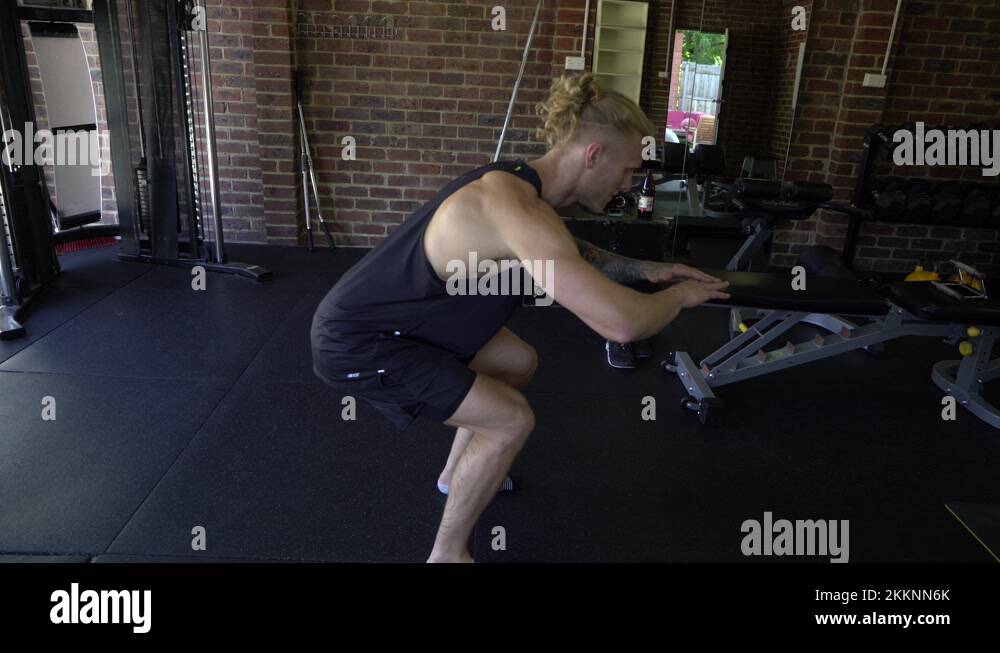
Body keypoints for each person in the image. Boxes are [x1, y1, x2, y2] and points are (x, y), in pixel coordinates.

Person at [311, 73, 730, 563]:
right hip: (361, 340)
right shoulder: (514, 209)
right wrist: (680, 297)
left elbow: (572, 250)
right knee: (510, 421)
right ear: (593, 155)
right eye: (627, 171)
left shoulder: (523, 188)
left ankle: (454, 476)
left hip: (412, 322)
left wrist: (649, 270)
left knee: (516, 361)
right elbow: (623, 325)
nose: (628, 184)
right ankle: (447, 554)